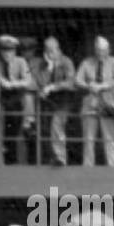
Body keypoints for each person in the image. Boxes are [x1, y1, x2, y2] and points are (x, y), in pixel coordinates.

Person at [0, 34, 36, 165]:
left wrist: (12, 84)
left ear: (15, 51)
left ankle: (28, 123)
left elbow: (28, 81)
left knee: (16, 136)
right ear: (0, 50)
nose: (7, 53)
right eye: (4, 50)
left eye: (10, 50)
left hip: (16, 101)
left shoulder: (20, 62)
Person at [75, 36, 114, 166]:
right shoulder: (86, 63)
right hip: (90, 103)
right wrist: (89, 86)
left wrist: (102, 86)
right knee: (89, 139)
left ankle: (113, 168)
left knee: (110, 138)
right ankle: (88, 168)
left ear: (109, 50)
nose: (100, 53)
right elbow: (78, 80)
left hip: (109, 104)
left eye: (103, 50)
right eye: (98, 50)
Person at [32, 36, 77, 166]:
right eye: (47, 50)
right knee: (45, 129)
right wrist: (49, 68)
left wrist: (53, 87)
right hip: (48, 103)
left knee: (57, 125)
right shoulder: (43, 64)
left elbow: (70, 82)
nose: (50, 53)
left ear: (58, 49)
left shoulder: (66, 62)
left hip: (65, 101)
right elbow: (40, 82)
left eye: (52, 50)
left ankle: (61, 158)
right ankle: (50, 157)